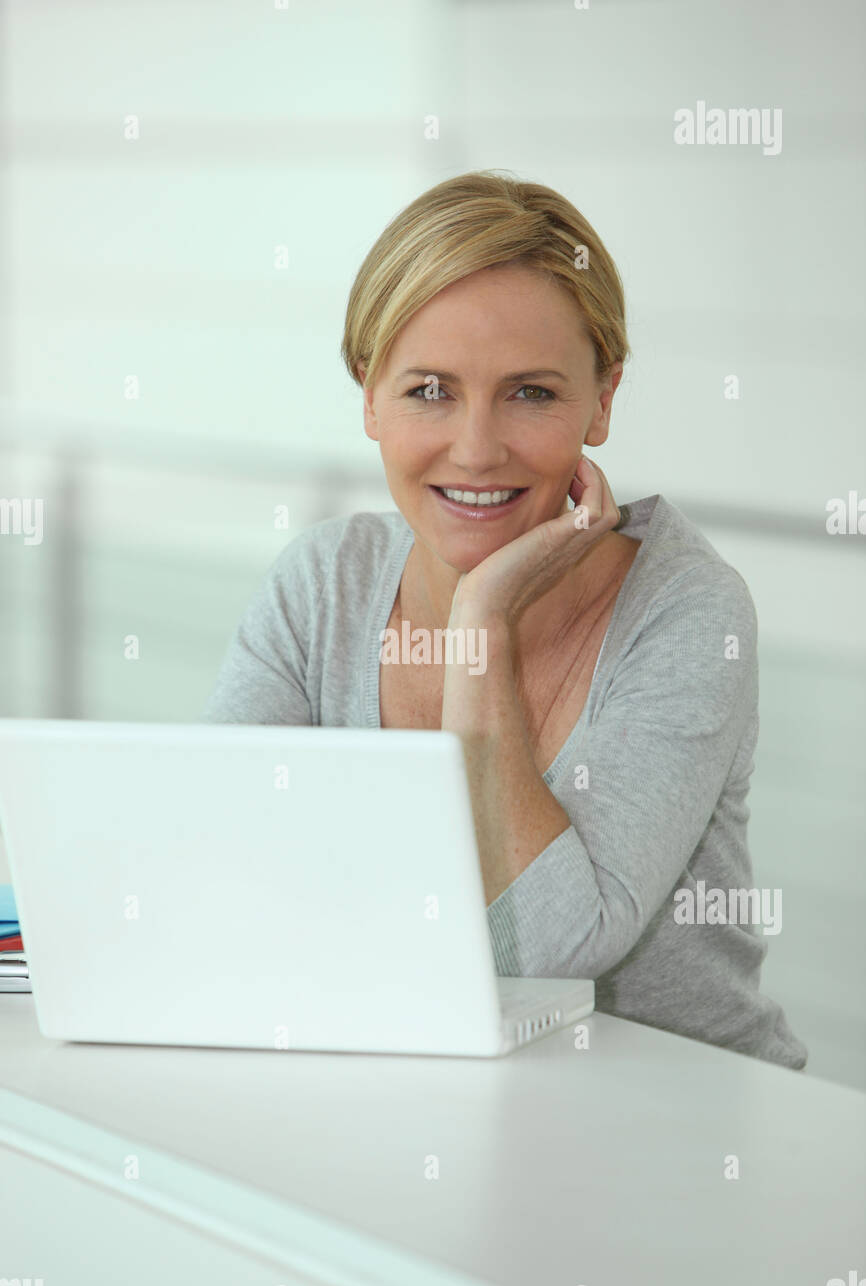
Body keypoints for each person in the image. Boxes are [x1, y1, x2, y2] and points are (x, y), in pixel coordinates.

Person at [201, 170, 807, 1071]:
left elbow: (544, 953)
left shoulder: (688, 610)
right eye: (430, 390)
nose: (477, 448)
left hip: (681, 1129)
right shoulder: (322, 587)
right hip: (420, 1102)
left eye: (530, 392)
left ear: (602, 400)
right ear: (369, 395)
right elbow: (218, 878)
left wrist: (480, 626)